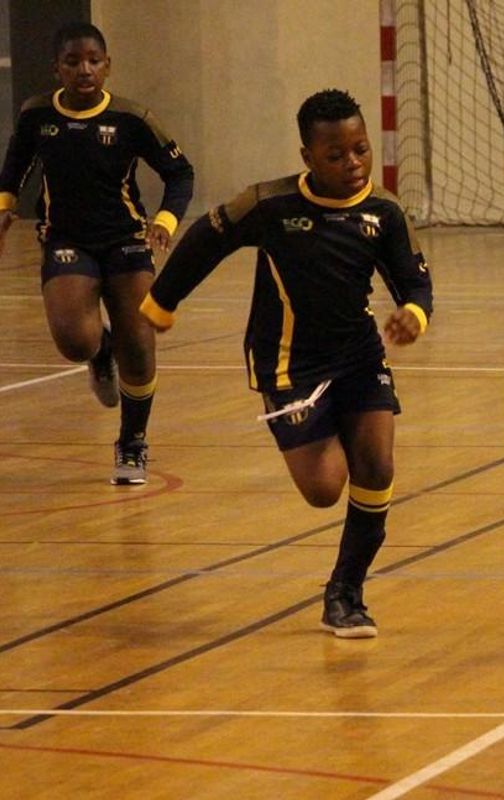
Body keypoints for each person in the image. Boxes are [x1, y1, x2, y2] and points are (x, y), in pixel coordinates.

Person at [139, 89, 433, 639]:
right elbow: (206, 240)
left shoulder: (384, 212)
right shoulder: (269, 205)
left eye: (361, 150)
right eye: (336, 156)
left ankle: (345, 594)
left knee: (377, 468)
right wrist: (162, 301)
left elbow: (414, 281)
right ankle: (339, 434)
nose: (353, 164)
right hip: (288, 366)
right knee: (324, 489)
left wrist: (415, 313)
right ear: (307, 157)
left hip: (359, 357)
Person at [0, 22, 194, 485]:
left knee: (140, 342)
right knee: (74, 340)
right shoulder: (37, 115)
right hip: (67, 239)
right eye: (72, 62)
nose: (84, 69)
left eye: (93, 61)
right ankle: (99, 352)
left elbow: (180, 173)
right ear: (57, 69)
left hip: (126, 240)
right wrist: (5, 206)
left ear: (107, 66)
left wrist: (165, 221)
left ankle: (132, 443)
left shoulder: (132, 119)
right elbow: (14, 166)